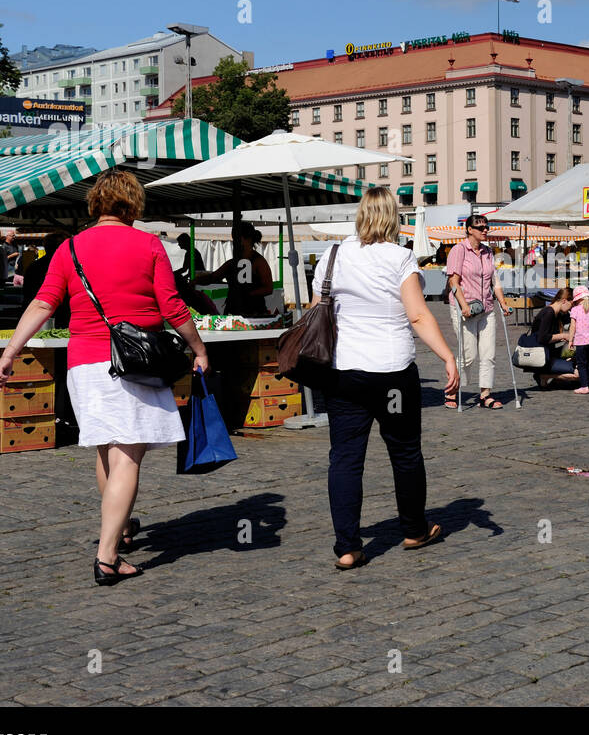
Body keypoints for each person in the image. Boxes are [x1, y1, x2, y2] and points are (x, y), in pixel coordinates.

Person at [0, 169, 209, 586]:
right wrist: (199, 349)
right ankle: (107, 557)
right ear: (132, 205)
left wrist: (8, 354)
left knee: (107, 449)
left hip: (83, 364)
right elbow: (173, 307)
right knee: (128, 454)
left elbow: (42, 304)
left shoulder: (70, 248)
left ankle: (121, 527)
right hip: (132, 364)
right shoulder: (148, 246)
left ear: (95, 204)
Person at [309, 187, 457, 570]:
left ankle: (347, 546)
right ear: (394, 217)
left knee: (344, 459)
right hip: (391, 374)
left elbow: (314, 313)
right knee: (405, 453)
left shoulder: (333, 255)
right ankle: (414, 529)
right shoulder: (401, 257)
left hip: (344, 372)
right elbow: (419, 316)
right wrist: (447, 357)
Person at [445, 213, 508, 409]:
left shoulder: (488, 251)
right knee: (468, 353)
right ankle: (452, 390)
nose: (485, 230)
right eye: (481, 228)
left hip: (487, 308)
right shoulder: (458, 250)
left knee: (488, 354)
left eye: (486, 227)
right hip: (465, 308)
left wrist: (503, 303)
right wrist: (463, 305)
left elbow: (494, 281)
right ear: (469, 230)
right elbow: (453, 282)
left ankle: (485, 394)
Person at [195, 221, 274, 316]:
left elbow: (268, 288)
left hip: (254, 312)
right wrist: (195, 281)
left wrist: (248, 294)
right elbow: (213, 277)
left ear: (246, 239)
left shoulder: (259, 261)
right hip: (233, 311)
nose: (234, 242)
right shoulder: (232, 263)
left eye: (236, 239)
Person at [529, 289, 578, 388]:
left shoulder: (559, 313)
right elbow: (542, 338)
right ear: (564, 301)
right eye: (572, 305)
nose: (571, 308)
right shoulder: (549, 312)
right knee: (578, 374)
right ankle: (544, 376)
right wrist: (563, 336)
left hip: (549, 353)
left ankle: (554, 380)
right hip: (542, 357)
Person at [22, 232, 71, 328]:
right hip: (60, 314)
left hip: (36, 316)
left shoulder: (34, 266)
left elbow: (27, 293)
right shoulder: (66, 266)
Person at [567, 286, 589, 393]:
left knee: (581, 364)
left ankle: (584, 386)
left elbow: (573, 327)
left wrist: (570, 340)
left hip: (580, 342)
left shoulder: (575, 310)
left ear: (577, 299)